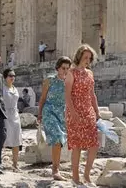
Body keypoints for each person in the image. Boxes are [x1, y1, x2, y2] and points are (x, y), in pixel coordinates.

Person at [65, 44, 99, 187]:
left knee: (94, 144)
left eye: (89, 58)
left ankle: (87, 174)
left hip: (88, 110)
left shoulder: (90, 73)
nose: (87, 60)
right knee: (77, 144)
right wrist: (73, 112)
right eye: (85, 57)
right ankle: (75, 176)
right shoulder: (71, 73)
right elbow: (67, 95)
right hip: (74, 110)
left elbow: (92, 94)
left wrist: (97, 111)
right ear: (79, 57)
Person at [37, 56, 72, 181]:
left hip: (61, 114)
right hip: (49, 111)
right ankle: (55, 170)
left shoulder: (69, 82)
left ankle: (56, 167)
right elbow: (42, 98)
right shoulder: (49, 80)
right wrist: (39, 114)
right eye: (63, 68)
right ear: (58, 68)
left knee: (61, 140)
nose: (65, 71)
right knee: (57, 138)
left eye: (68, 68)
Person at [2, 68, 22, 172]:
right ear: (5, 77)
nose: (12, 77)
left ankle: (15, 164)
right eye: (10, 75)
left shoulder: (15, 88)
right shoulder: (2, 89)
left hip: (15, 116)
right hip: (5, 115)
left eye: (14, 76)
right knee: (3, 139)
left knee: (16, 140)